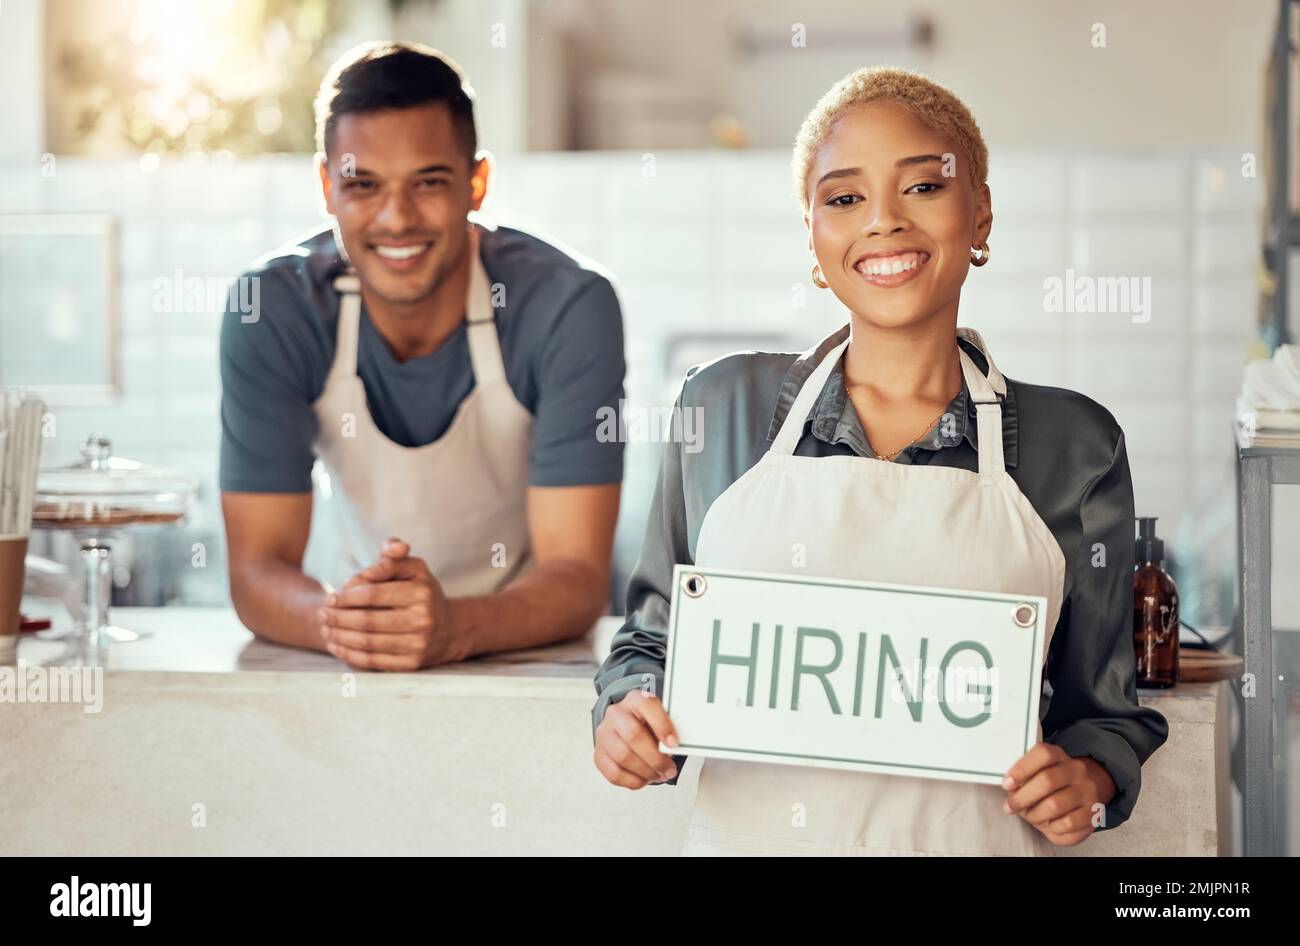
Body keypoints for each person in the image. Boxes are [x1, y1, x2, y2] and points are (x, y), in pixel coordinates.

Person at [591, 66, 1168, 855]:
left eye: (923, 188)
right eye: (843, 198)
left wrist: (1087, 782)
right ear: (813, 236)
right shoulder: (718, 408)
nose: (884, 222)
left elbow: (1100, 715)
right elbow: (651, 648)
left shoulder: (1078, 445)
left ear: (981, 213)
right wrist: (630, 716)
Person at [219, 42, 624, 670]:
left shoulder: (568, 305)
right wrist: (346, 625)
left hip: (525, 656)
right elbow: (255, 571)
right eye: (363, 184)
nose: (396, 218)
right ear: (327, 187)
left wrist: (453, 628)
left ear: (477, 183)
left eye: (429, 182)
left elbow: (577, 579)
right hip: (352, 651)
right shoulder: (273, 309)